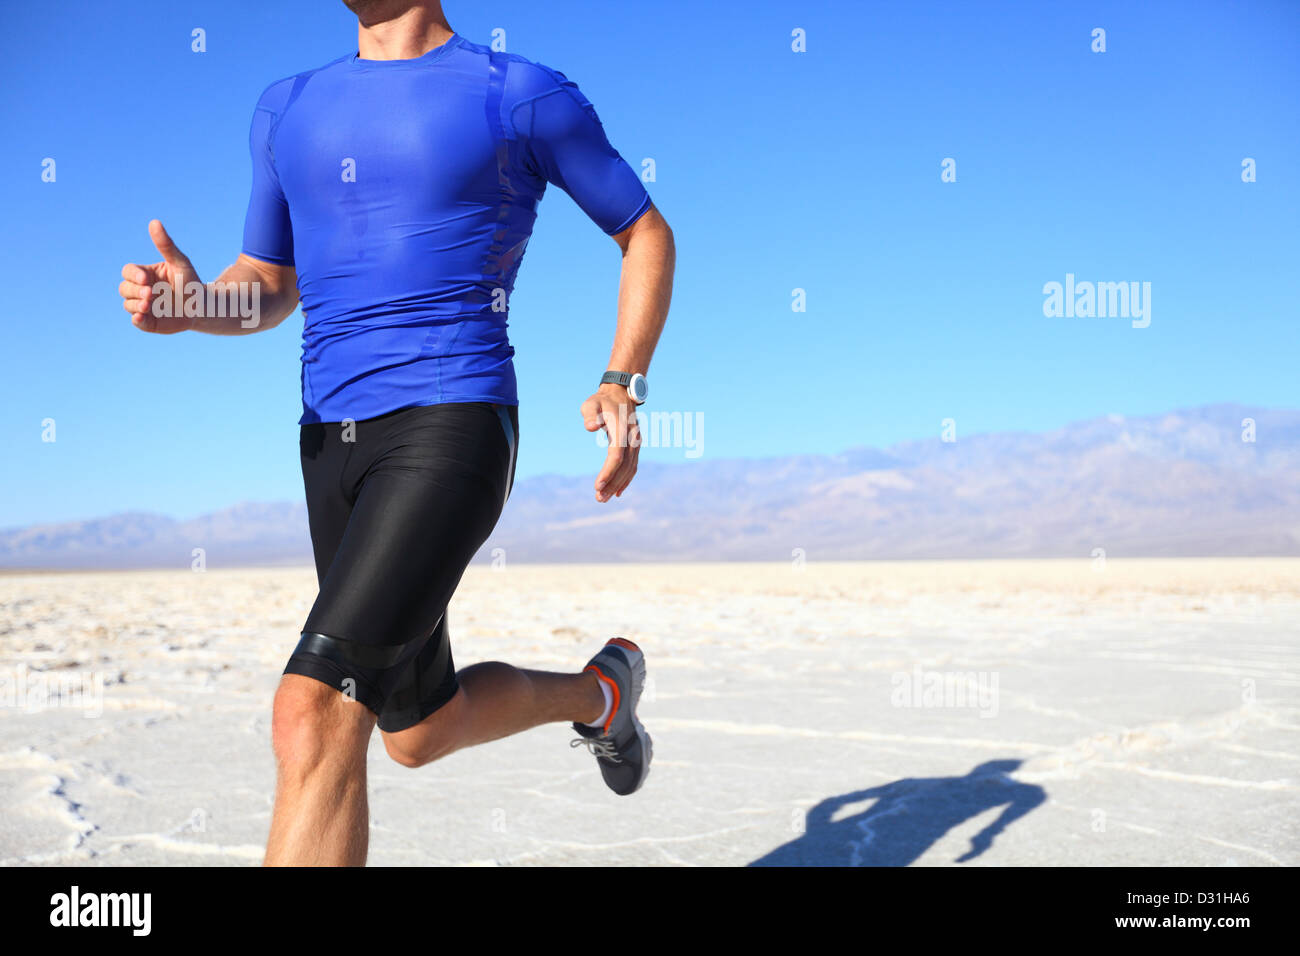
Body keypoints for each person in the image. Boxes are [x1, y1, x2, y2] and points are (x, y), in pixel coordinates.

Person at [116, 0, 675, 866]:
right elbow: (269, 281)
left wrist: (622, 377)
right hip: (329, 443)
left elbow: (644, 230)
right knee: (417, 728)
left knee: (314, 709)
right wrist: (195, 305)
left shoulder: (519, 93)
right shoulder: (287, 106)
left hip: (452, 422)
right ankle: (601, 696)